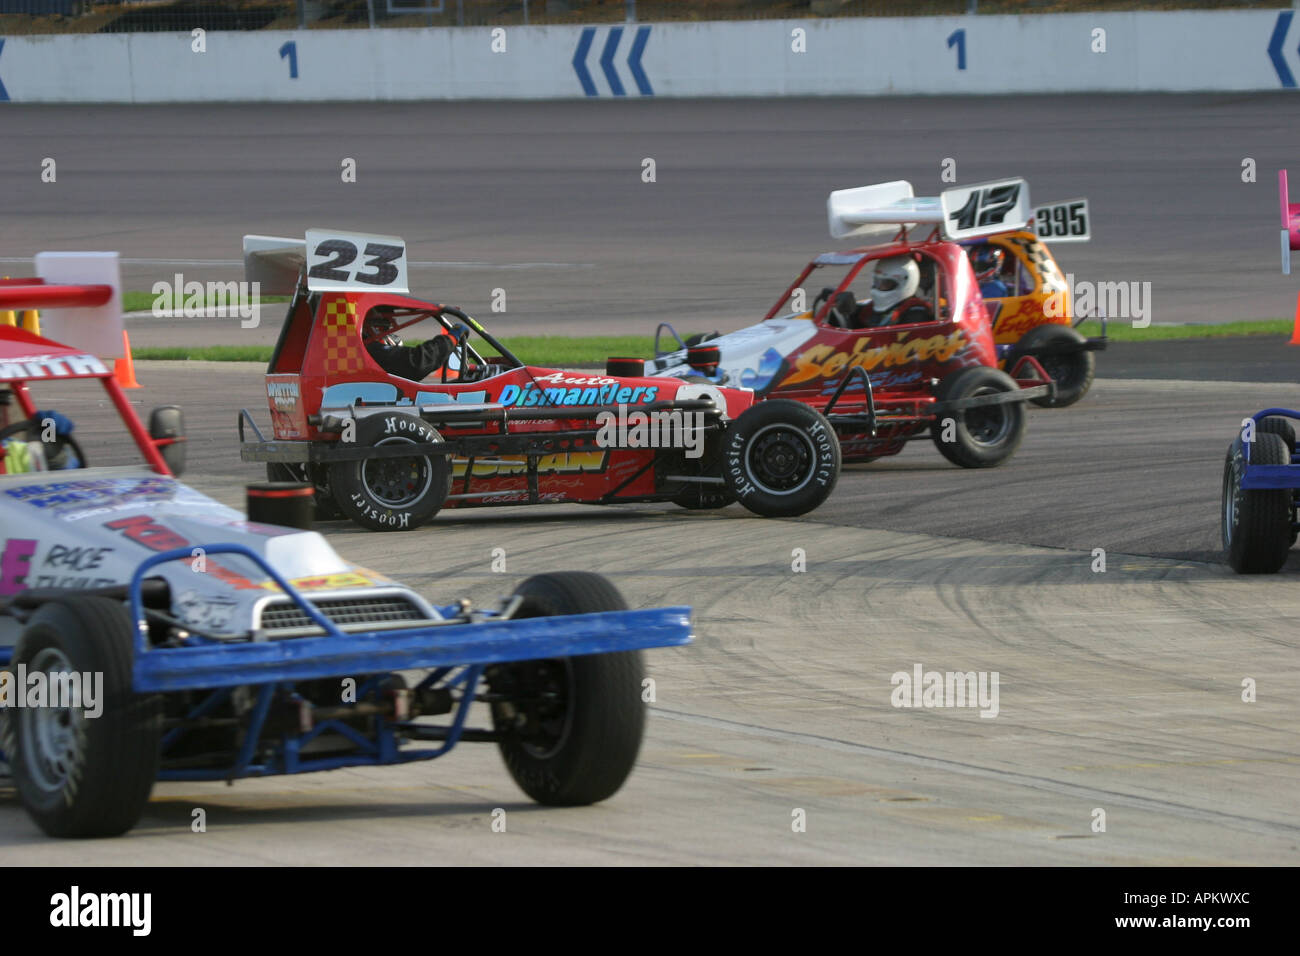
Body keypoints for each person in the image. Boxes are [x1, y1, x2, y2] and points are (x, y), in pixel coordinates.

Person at [363, 307, 453, 381]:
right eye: (381, 324)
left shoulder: (361, 347)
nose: (387, 330)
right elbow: (415, 363)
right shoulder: (365, 349)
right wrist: (450, 340)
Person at [851, 255, 934, 328]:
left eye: (886, 284)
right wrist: (849, 311)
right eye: (877, 283)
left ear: (905, 283)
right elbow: (861, 321)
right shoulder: (874, 308)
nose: (879, 288)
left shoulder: (916, 314)